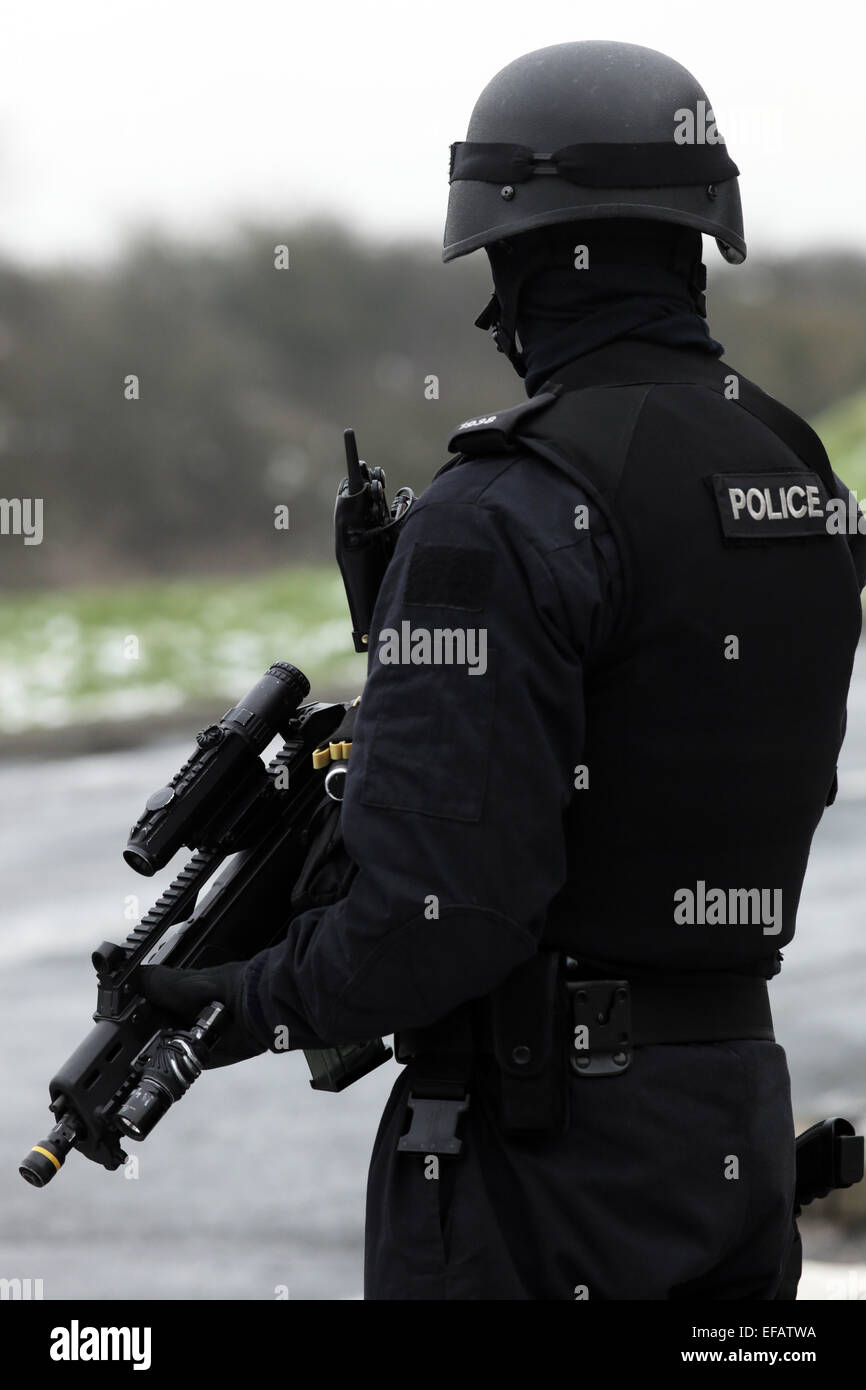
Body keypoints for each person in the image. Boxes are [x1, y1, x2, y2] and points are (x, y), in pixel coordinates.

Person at [141, 41, 866, 1300]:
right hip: (726, 1137)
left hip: (535, 1182)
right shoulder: (797, 473)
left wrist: (229, 997)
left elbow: (437, 922)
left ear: (516, 260)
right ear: (696, 233)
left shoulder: (505, 504)